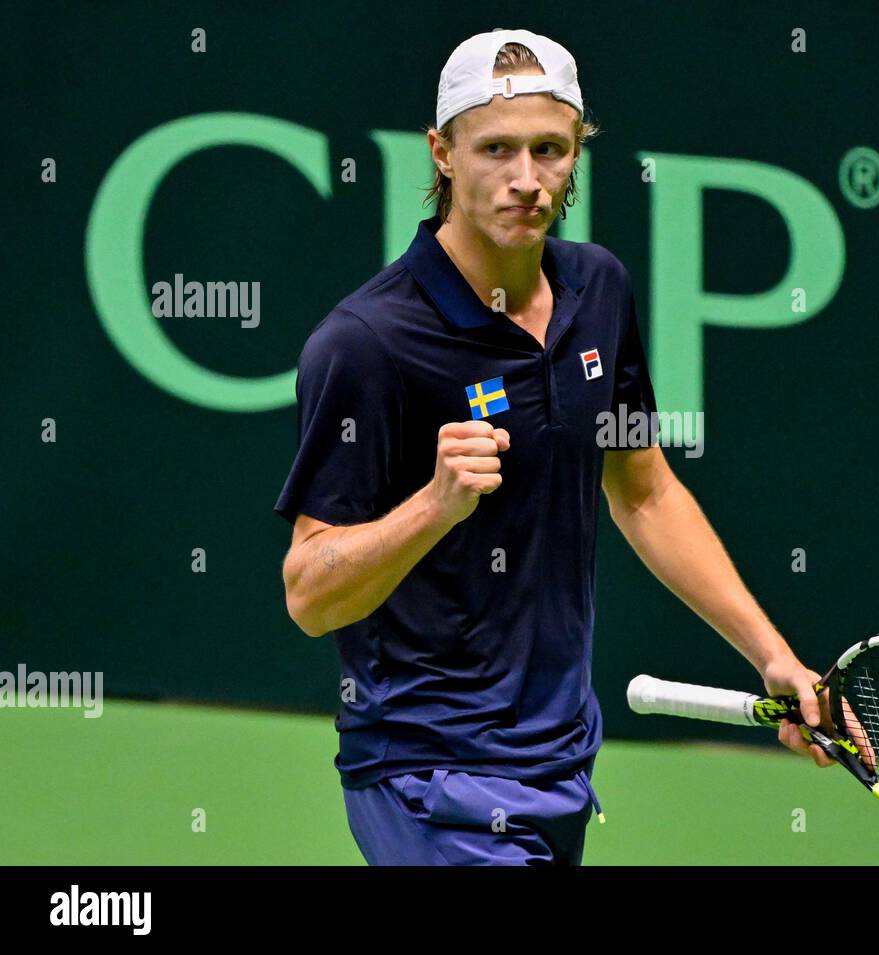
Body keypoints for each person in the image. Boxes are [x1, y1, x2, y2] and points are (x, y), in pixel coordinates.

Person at [275, 28, 830, 866]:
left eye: (551, 150)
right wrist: (435, 504)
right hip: (429, 775)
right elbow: (310, 593)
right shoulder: (367, 343)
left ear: (578, 154)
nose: (527, 180)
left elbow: (643, 491)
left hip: (560, 764)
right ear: (443, 153)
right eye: (496, 149)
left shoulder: (596, 288)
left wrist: (772, 653)